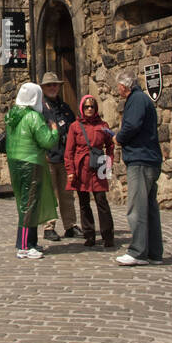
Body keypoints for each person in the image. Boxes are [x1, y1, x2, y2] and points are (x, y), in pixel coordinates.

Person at [5, 82, 59, 257]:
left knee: (26, 202)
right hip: (31, 162)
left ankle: (31, 241)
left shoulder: (12, 115)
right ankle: (24, 246)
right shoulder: (33, 117)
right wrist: (54, 130)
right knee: (29, 203)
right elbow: (47, 141)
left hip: (15, 162)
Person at [114, 71, 163, 266]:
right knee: (149, 207)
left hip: (140, 159)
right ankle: (154, 252)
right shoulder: (142, 99)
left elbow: (132, 125)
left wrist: (118, 137)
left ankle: (138, 252)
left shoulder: (136, 100)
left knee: (137, 207)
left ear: (124, 86)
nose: (117, 90)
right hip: (149, 158)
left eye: (118, 86)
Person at [65, 95, 116, 248]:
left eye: (92, 107)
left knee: (102, 201)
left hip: (99, 163)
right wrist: (70, 170)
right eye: (86, 107)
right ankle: (89, 235)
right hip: (81, 167)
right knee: (84, 202)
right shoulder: (75, 126)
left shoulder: (103, 125)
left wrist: (108, 163)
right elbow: (69, 151)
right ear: (82, 108)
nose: (89, 109)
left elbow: (110, 145)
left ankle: (108, 235)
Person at [39, 72, 79, 242]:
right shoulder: (40, 109)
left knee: (67, 194)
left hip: (64, 157)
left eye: (55, 84)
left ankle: (70, 225)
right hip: (48, 157)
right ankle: (49, 227)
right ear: (43, 88)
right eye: (49, 85)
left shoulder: (64, 107)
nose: (53, 87)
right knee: (49, 195)